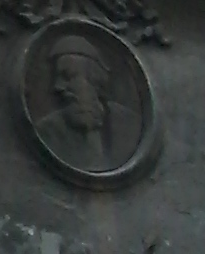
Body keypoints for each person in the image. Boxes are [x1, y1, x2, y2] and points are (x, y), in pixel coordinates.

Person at [31, 33, 138, 174]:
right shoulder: (48, 131)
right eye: (56, 78)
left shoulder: (129, 123)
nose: (58, 86)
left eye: (67, 77)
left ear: (93, 78)